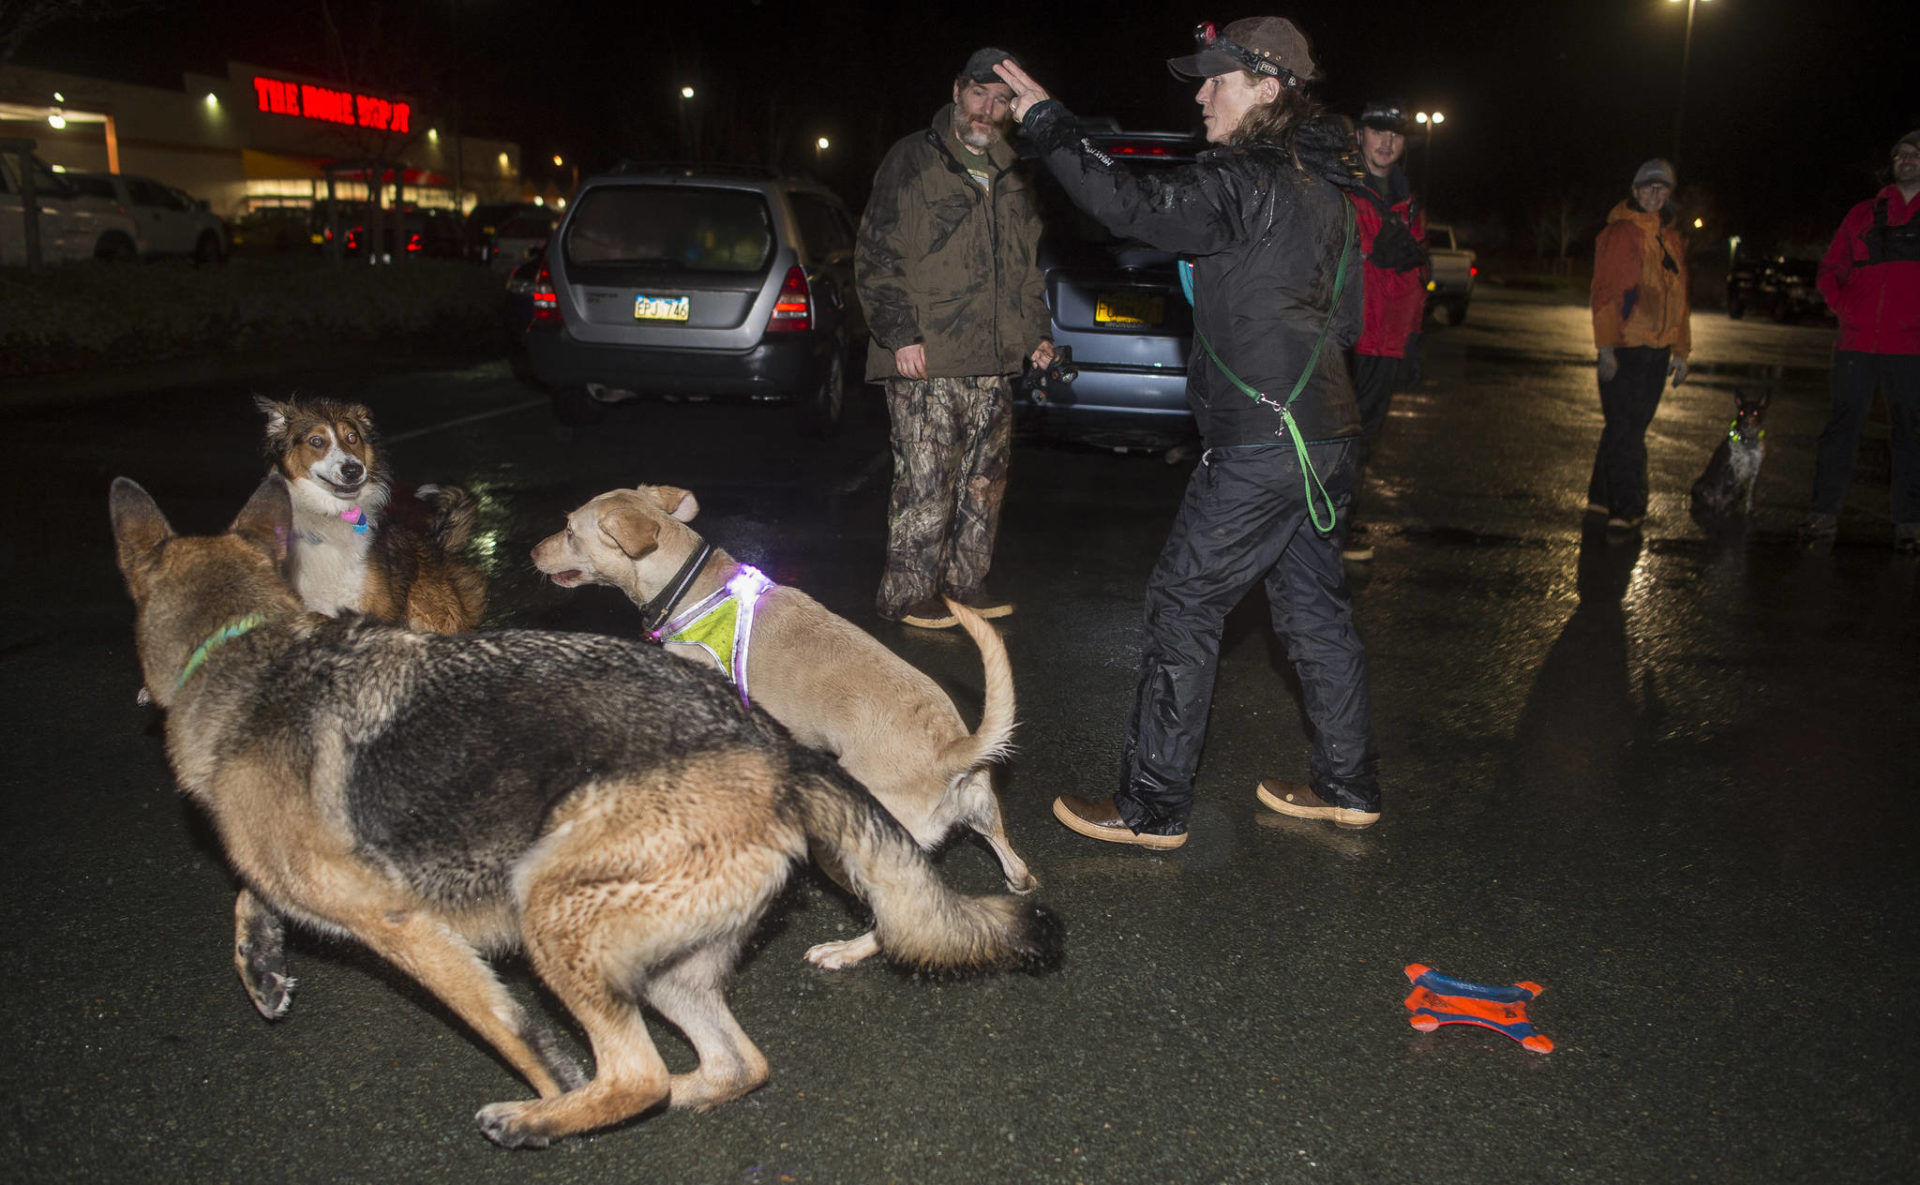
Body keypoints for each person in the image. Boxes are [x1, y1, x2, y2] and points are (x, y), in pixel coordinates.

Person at [994, 16, 1380, 849]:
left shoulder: (1244, 179)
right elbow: (1345, 323)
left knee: (1183, 603)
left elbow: (1130, 206)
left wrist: (1050, 125)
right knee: (1312, 612)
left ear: (1269, 89)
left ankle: (1151, 806)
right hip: (1327, 434)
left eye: (1218, 80)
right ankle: (1348, 784)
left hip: (1263, 445)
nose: (1201, 95)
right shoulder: (1331, 196)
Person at [854, 48, 1055, 630]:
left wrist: (1035, 338)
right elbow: (877, 253)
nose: (987, 111)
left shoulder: (1016, 171)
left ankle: (966, 584)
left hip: (993, 358)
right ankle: (907, 594)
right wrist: (900, 335)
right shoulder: (912, 159)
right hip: (927, 356)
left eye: (1001, 102)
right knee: (926, 480)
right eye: (978, 96)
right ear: (957, 91)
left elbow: (1024, 270)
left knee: (984, 483)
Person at [1800, 129, 1920, 552]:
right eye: (1901, 154)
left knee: (1909, 436)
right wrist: (1845, 306)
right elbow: (1832, 268)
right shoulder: (1862, 214)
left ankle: (1909, 523)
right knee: (1840, 432)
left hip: (1909, 350)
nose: (1906, 160)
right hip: (1855, 345)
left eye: (1915, 155)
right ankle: (1822, 515)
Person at [1342, 98, 1429, 562]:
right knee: (1331, 436)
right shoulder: (1342, 190)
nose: (1387, 141)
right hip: (1346, 338)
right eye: (1377, 131)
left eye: (1395, 135)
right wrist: (1369, 255)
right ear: (1360, 137)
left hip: (1388, 344)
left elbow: (1417, 280)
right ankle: (1323, 527)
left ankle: (1341, 525)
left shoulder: (1410, 205)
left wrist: (1413, 339)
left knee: (1363, 439)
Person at [1587, 158, 1692, 534]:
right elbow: (1606, 294)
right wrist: (1606, 348)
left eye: (1661, 187)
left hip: (1658, 349)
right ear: (1634, 190)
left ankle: (1600, 497)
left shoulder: (1671, 237)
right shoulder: (1622, 233)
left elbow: (1681, 299)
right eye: (1647, 186)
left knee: (1624, 428)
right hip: (1627, 346)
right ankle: (1626, 507)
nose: (1654, 193)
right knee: (1628, 431)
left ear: (1669, 194)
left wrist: (1681, 351)